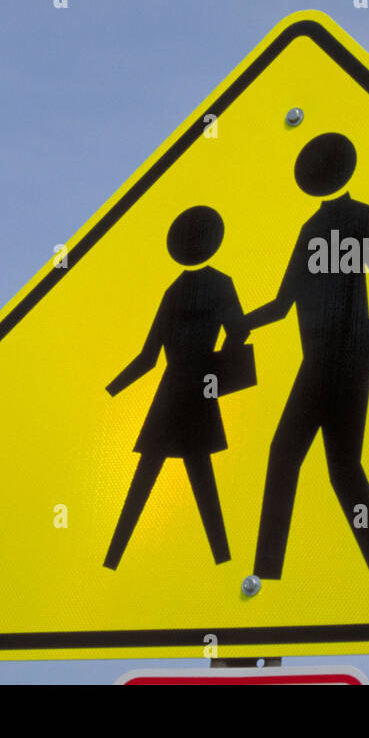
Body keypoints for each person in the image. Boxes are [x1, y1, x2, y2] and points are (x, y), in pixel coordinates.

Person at [244, 132, 369, 581]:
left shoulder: (356, 218)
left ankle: (267, 572)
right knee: (339, 467)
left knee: (294, 457)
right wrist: (242, 323)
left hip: (338, 362)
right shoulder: (314, 228)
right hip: (326, 362)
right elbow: (283, 305)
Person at [103, 205, 249, 569]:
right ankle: (114, 560)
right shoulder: (192, 287)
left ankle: (221, 561)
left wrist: (216, 372)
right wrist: (110, 390)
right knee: (171, 476)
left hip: (183, 392)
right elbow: (150, 356)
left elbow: (149, 357)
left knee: (191, 477)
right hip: (184, 392)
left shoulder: (195, 287)